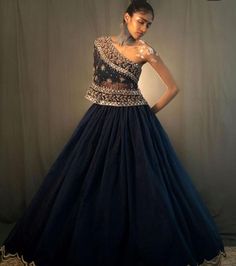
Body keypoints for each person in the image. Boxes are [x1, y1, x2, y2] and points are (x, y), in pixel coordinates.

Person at [0, 0, 226, 265]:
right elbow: (99, 84)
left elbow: (172, 88)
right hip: (101, 118)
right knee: (86, 177)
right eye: (140, 20)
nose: (144, 28)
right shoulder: (100, 44)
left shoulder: (147, 51)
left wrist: (147, 115)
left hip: (135, 121)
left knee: (145, 183)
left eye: (149, 24)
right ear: (126, 17)